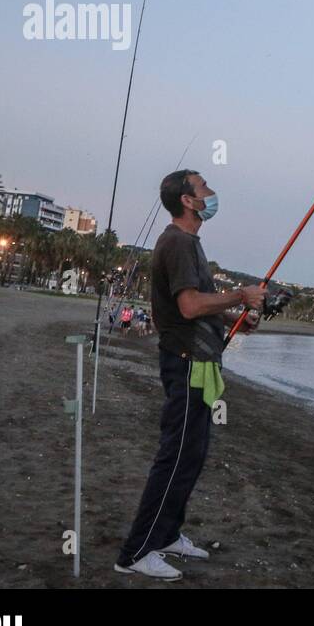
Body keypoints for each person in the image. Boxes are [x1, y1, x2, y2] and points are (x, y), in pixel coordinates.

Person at [114, 170, 265, 581]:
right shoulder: (177, 242)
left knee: (191, 457)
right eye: (203, 187)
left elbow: (201, 303)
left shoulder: (189, 243)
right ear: (187, 200)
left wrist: (237, 317)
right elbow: (188, 306)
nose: (212, 192)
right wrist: (241, 295)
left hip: (199, 362)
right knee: (175, 456)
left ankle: (166, 535)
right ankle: (135, 552)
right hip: (184, 363)